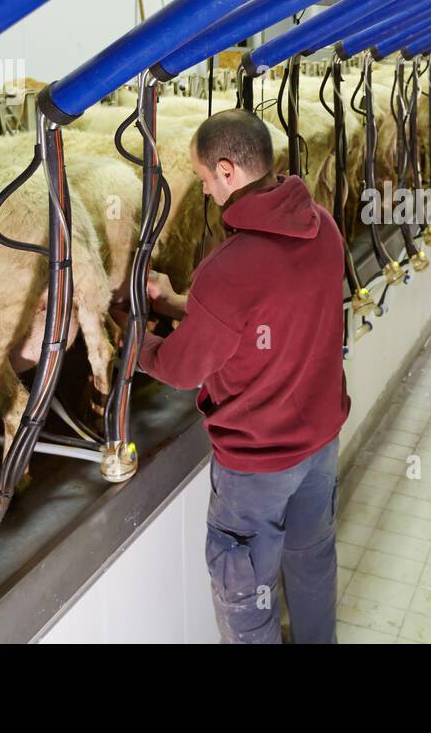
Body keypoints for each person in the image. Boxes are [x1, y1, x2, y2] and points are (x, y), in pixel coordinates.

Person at [136, 108, 349, 644]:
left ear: (227, 170)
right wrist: (184, 303)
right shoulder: (323, 227)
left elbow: (183, 369)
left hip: (256, 467)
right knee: (312, 563)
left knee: (246, 596)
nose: (205, 191)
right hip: (319, 445)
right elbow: (266, 315)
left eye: (204, 178)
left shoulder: (228, 268)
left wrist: (131, 341)